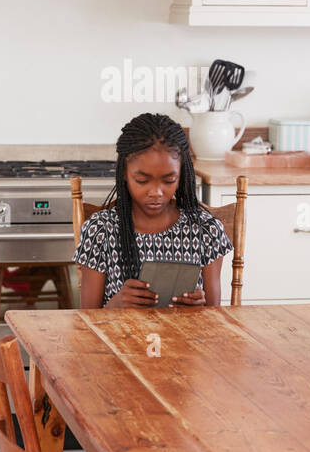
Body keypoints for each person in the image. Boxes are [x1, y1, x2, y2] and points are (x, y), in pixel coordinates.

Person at [75, 113, 233, 309]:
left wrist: (200, 310)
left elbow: (214, 318)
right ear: (124, 172)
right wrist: (115, 305)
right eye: (142, 180)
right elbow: (88, 322)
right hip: (119, 339)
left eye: (168, 180)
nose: (156, 192)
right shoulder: (100, 231)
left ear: (181, 173)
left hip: (184, 339)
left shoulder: (206, 230)